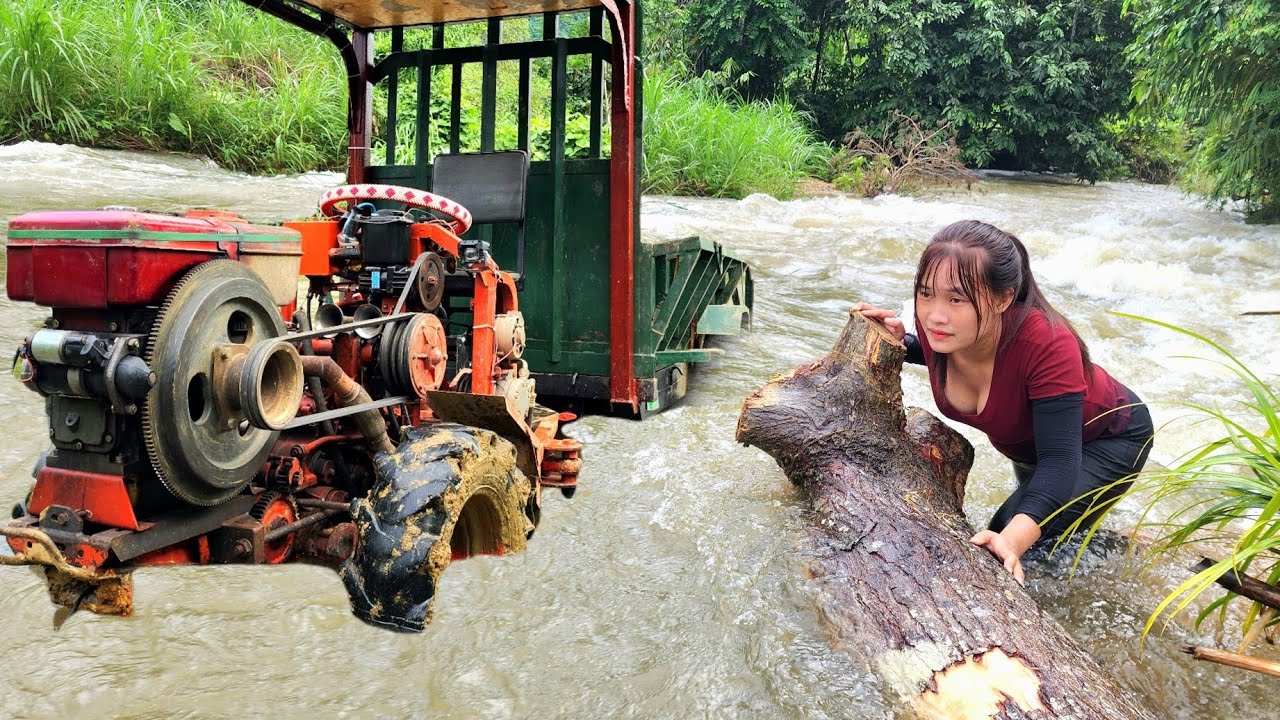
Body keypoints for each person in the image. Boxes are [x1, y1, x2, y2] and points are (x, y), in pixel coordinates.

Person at [854, 220, 1154, 584]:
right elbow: (935, 352)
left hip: (1109, 439)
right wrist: (902, 342)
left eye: (956, 298)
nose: (935, 314)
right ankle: (1101, 540)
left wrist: (1011, 540)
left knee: (1007, 538)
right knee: (1046, 526)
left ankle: (1118, 558)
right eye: (926, 293)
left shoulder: (1047, 343)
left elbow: (1059, 462)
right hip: (1032, 446)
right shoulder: (946, 333)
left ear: (1003, 299)